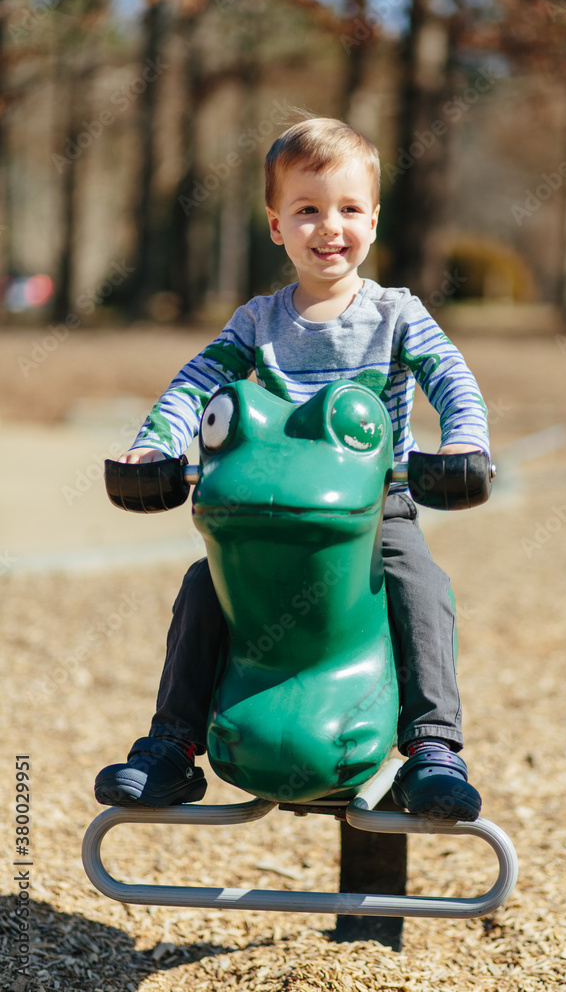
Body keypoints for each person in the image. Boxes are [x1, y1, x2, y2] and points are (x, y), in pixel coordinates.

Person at [94, 117, 490, 821]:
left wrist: (462, 440)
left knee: (419, 583)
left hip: (370, 515)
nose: (328, 226)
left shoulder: (397, 315)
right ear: (276, 225)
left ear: (373, 219)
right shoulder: (256, 322)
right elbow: (196, 383)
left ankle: (432, 747)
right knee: (202, 588)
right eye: (306, 210)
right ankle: (171, 746)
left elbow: (450, 378)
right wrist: (157, 444)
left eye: (346, 209)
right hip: (264, 514)